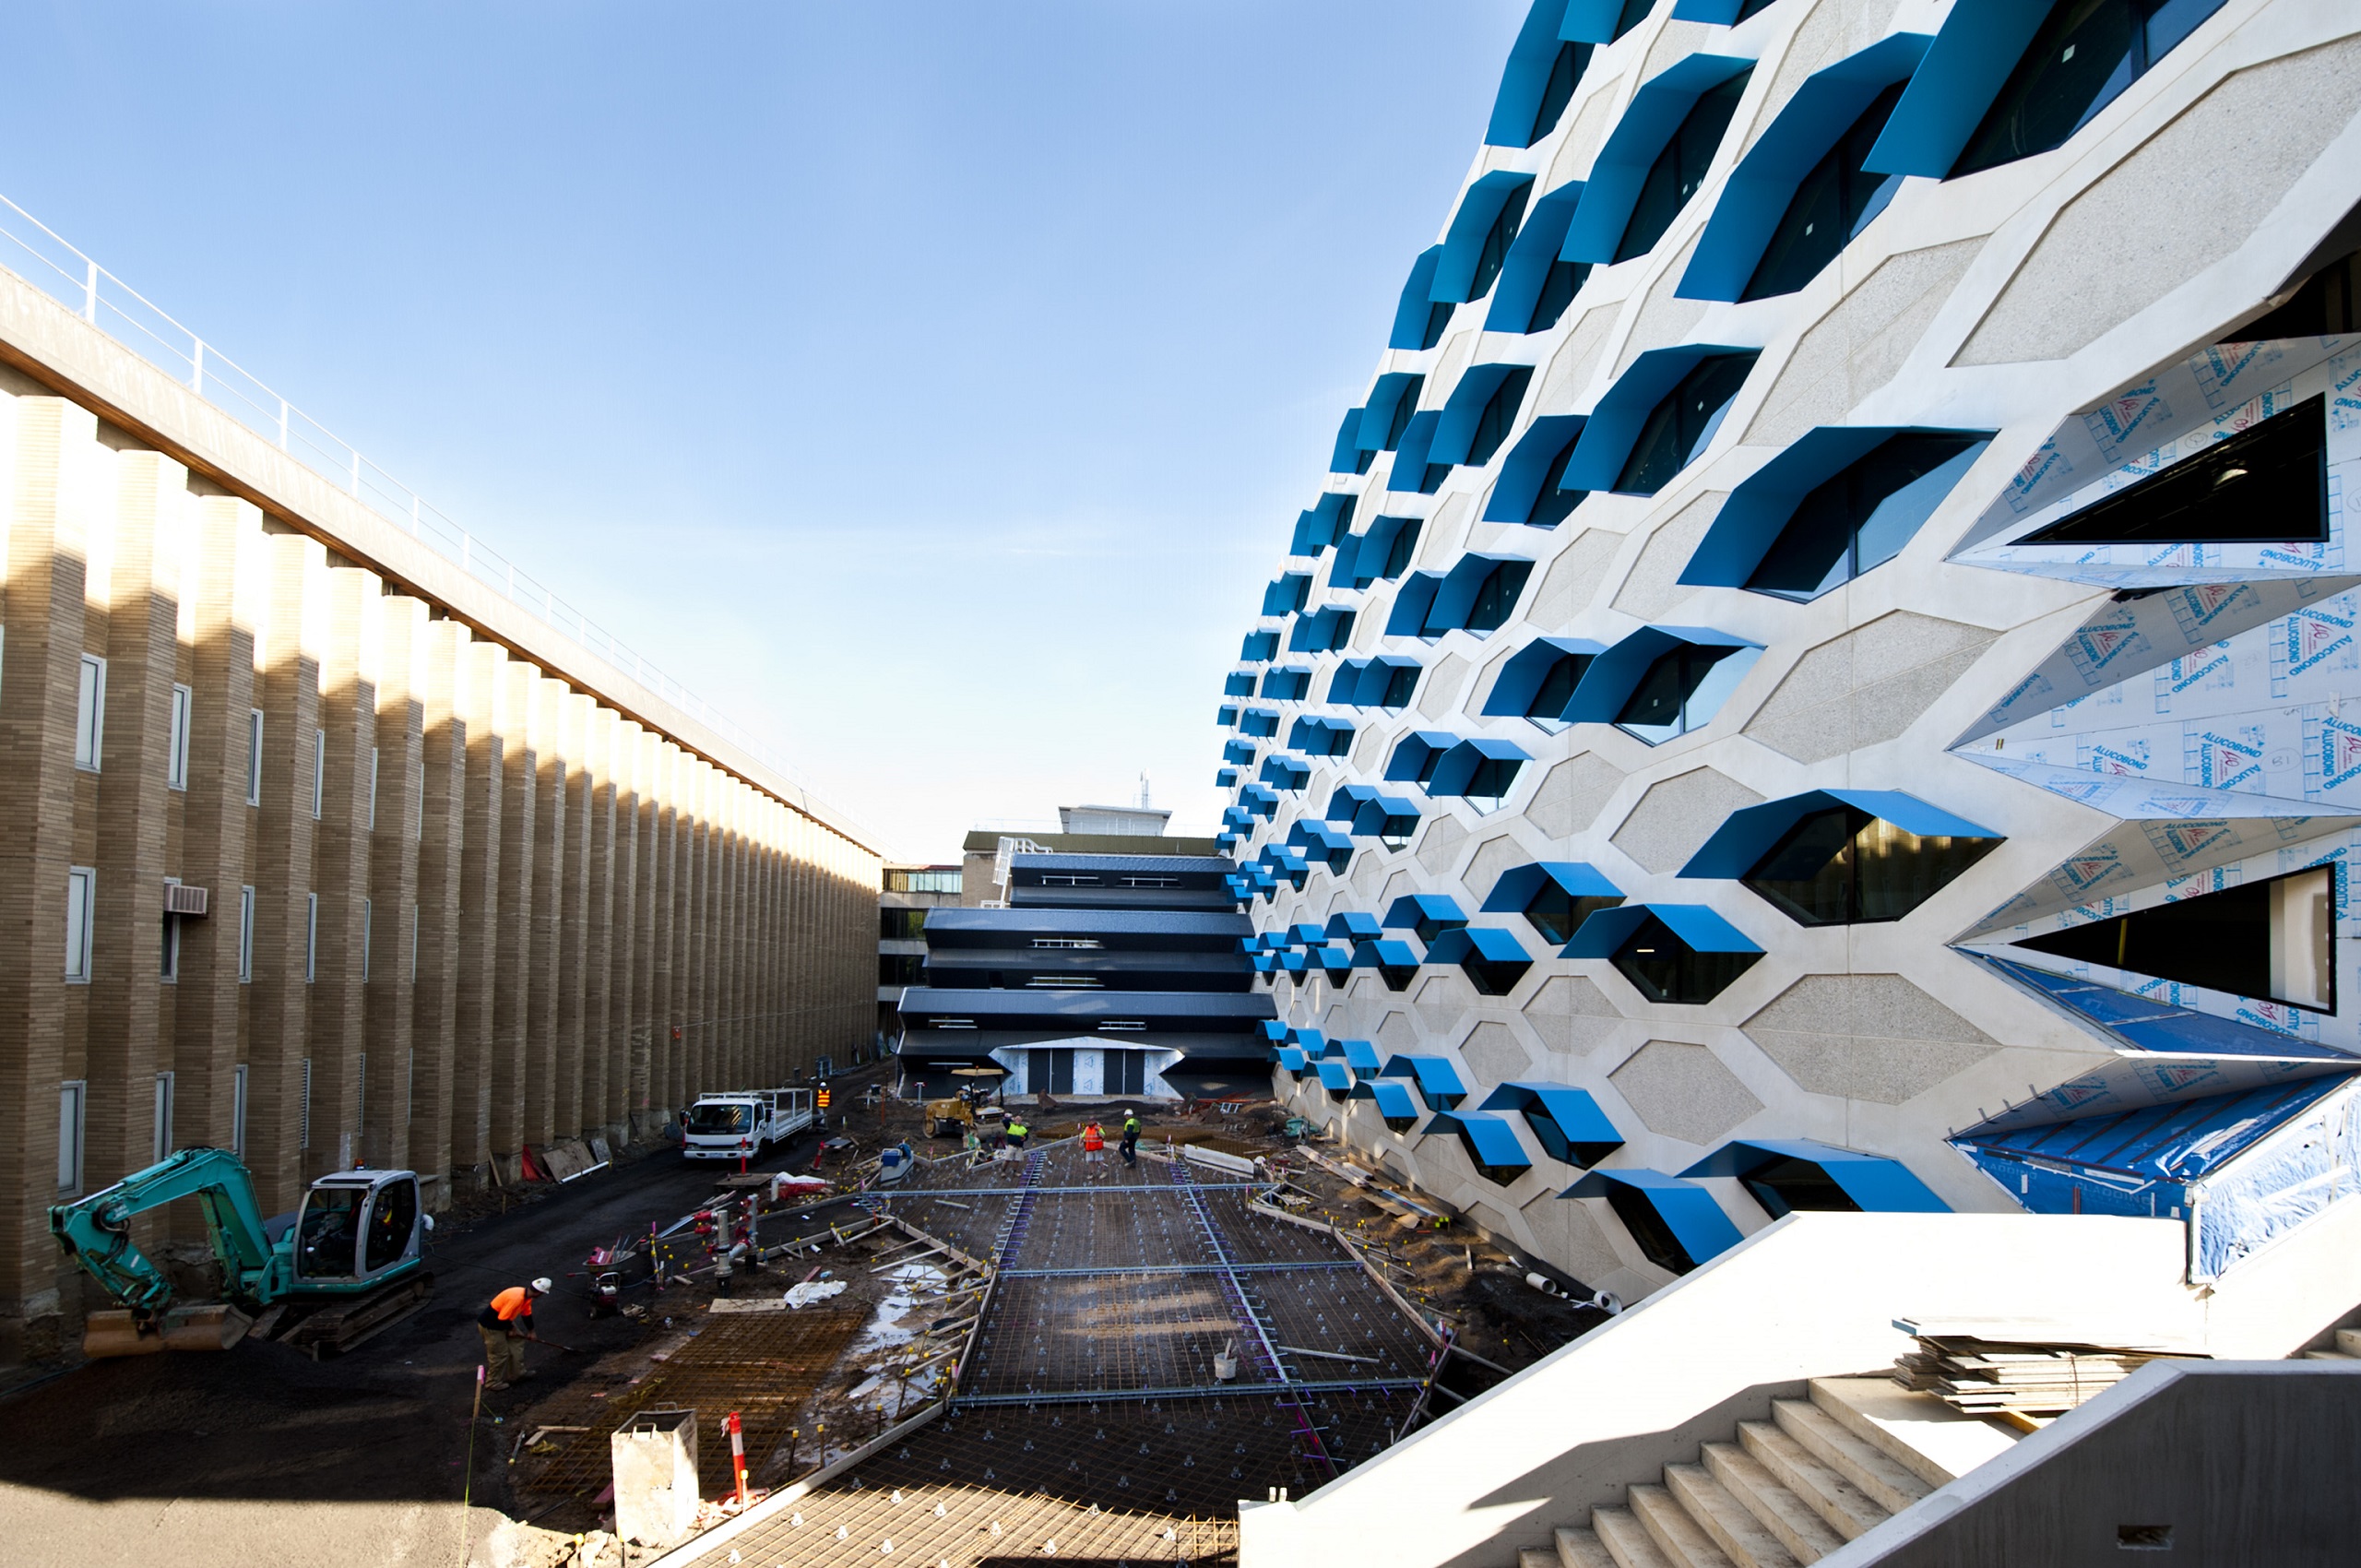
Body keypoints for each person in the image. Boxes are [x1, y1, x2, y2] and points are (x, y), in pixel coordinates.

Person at [478, 1277, 551, 1390]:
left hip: (504, 1322)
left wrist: (531, 1331)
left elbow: (526, 1315)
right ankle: (492, 1383)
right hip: (491, 1326)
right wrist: (511, 1329)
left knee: (517, 1340)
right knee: (499, 1354)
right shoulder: (516, 1297)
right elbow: (502, 1319)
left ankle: (518, 1373)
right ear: (539, 1293)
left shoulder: (527, 1297)